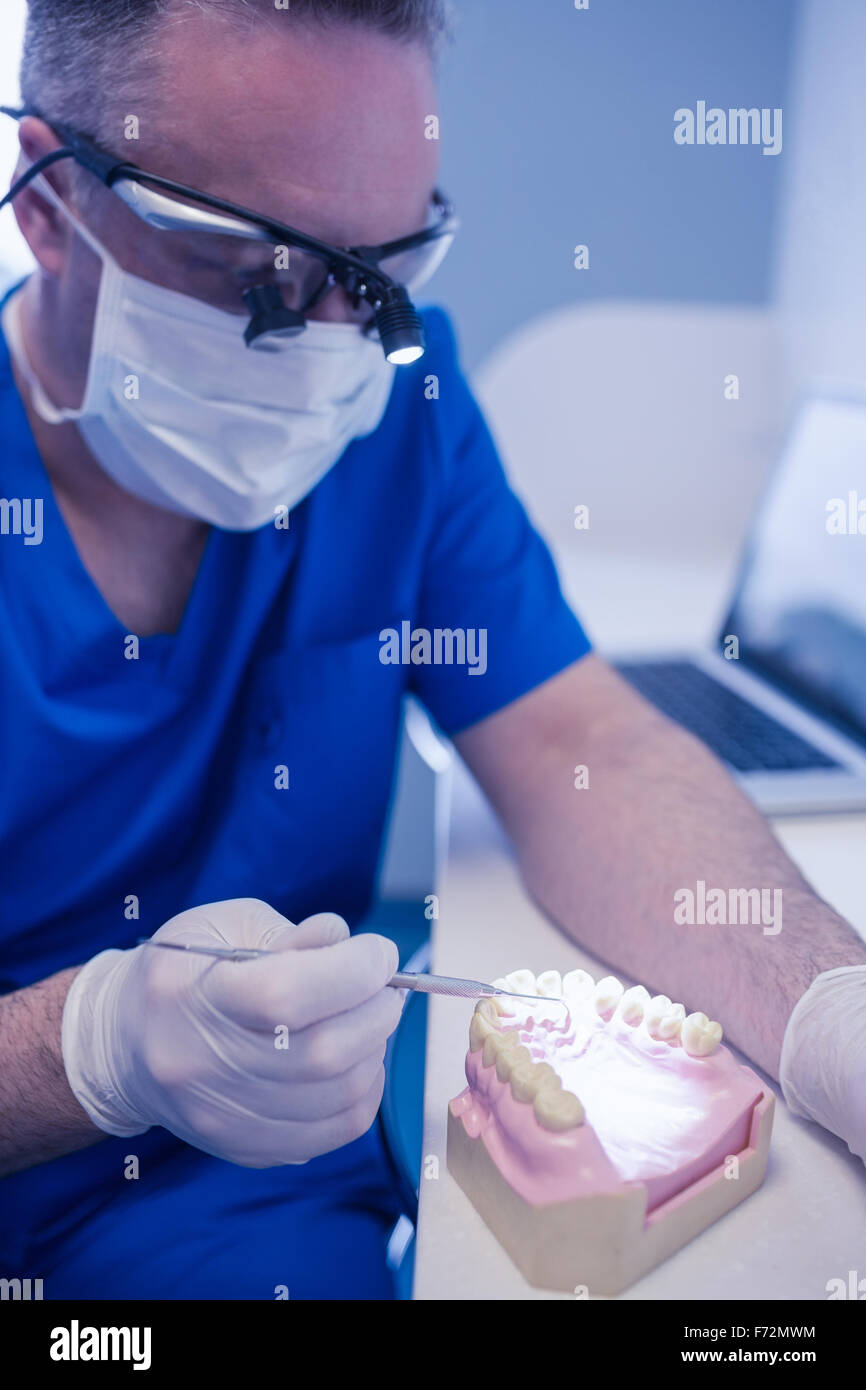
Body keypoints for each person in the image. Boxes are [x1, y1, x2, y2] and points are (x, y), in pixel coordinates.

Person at [0, 0, 863, 1301]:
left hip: (238, 1199)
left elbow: (581, 746)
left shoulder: (399, 408)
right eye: (253, 269)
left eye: (379, 273)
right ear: (49, 201)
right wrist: (96, 1047)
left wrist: (825, 1012)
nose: (332, 350)